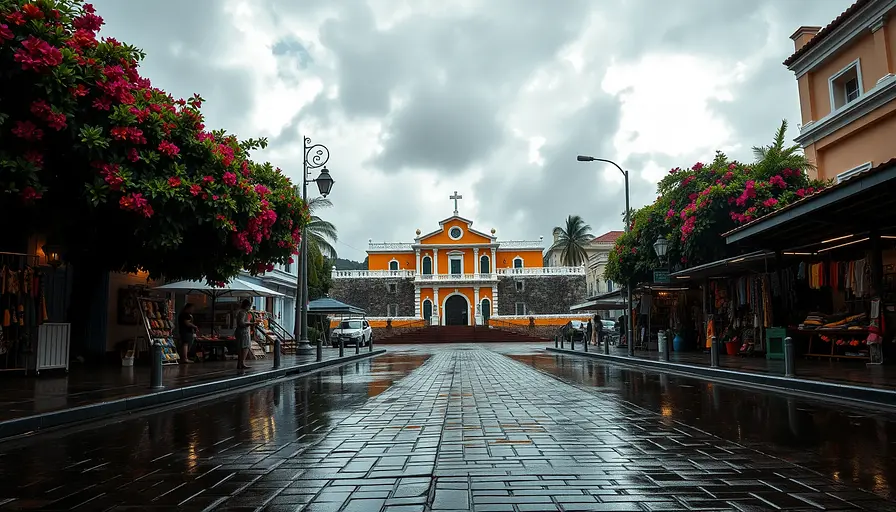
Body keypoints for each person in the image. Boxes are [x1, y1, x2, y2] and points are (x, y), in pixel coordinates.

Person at [235, 299, 255, 369]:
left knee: (242, 347)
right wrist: (250, 323)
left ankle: (240, 363)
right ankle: (242, 363)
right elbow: (241, 323)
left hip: (243, 332)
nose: (249, 308)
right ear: (246, 306)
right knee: (244, 347)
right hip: (243, 332)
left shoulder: (242, 312)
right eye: (249, 306)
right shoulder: (242, 313)